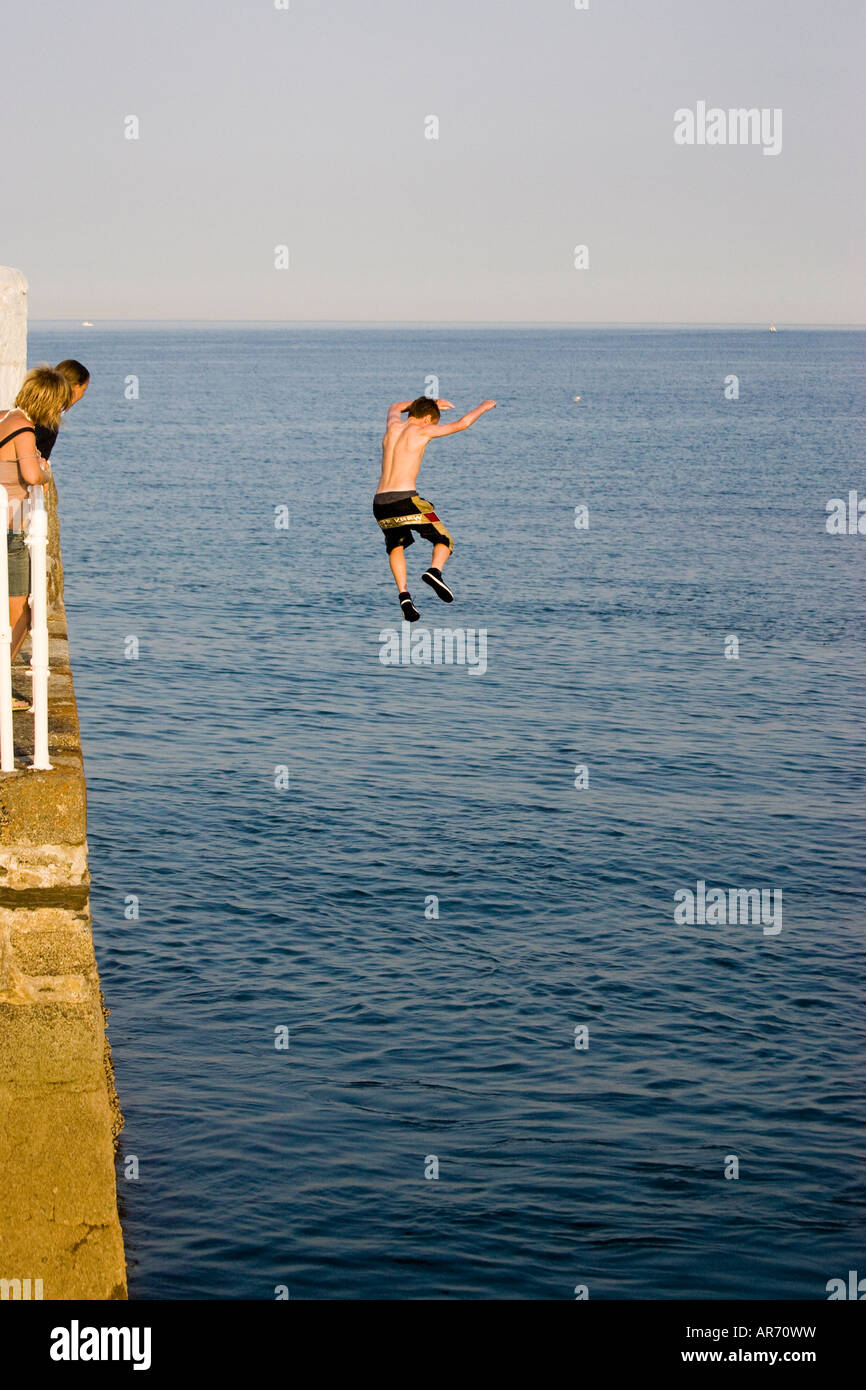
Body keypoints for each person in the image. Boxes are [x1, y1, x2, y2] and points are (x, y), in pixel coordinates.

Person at [373, 395, 496, 620]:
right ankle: (434, 571)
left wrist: (431, 404)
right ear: (428, 418)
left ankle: (404, 596)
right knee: (444, 540)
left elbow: (394, 406)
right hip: (406, 501)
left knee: (395, 546)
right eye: (434, 421)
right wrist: (484, 406)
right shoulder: (422, 431)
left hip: (380, 503)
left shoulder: (393, 426)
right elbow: (462, 424)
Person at [0, 366, 69, 692]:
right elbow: (29, 474)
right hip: (9, 530)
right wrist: (42, 469)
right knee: (20, 613)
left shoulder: (3, 416)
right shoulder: (25, 429)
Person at [33, 359, 90, 460]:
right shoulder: (48, 419)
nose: (83, 395)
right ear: (76, 387)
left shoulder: (35, 407)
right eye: (84, 389)